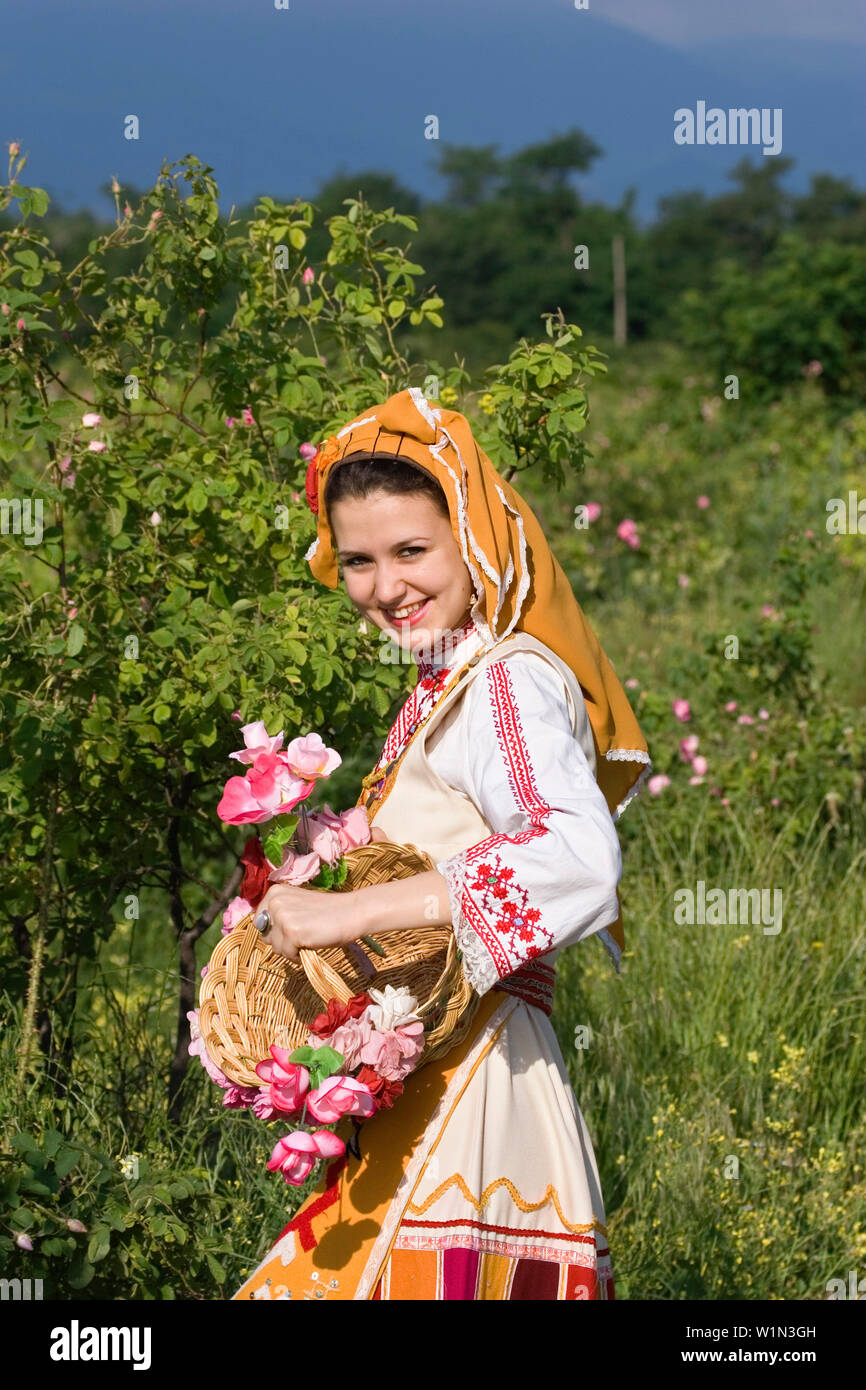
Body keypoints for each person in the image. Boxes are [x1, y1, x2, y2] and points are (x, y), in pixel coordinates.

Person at [231, 386, 651, 1301]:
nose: (386, 588)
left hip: (480, 1086)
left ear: (476, 542)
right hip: (443, 1074)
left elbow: (578, 858)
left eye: (413, 550)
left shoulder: (504, 683)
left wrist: (346, 910)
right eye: (359, 562)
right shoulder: (443, 687)